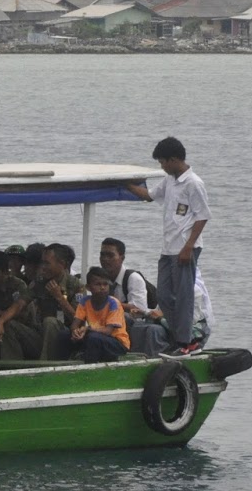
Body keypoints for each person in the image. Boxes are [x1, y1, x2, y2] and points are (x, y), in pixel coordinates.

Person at [124, 136, 211, 355]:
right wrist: (124, 183)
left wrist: (188, 247)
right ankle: (177, 334)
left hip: (185, 247)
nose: (161, 167)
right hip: (168, 248)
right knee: (163, 294)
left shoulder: (194, 183)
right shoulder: (170, 180)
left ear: (174, 160)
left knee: (183, 296)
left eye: (163, 162)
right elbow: (149, 196)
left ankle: (185, 342)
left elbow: (202, 216)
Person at [99, 238, 166, 356]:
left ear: (122, 258)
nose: (105, 259)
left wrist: (111, 303)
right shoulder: (101, 278)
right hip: (112, 322)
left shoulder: (133, 278)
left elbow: (138, 310)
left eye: (110, 255)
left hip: (138, 322)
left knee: (122, 317)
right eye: (102, 255)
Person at [53, 266, 130, 362]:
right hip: (95, 336)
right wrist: (76, 333)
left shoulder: (114, 303)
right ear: (88, 287)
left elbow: (108, 331)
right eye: (98, 284)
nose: (102, 287)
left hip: (117, 343)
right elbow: (75, 324)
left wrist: (87, 329)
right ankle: (59, 367)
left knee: (93, 338)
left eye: (105, 284)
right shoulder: (85, 302)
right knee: (63, 335)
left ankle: (89, 369)